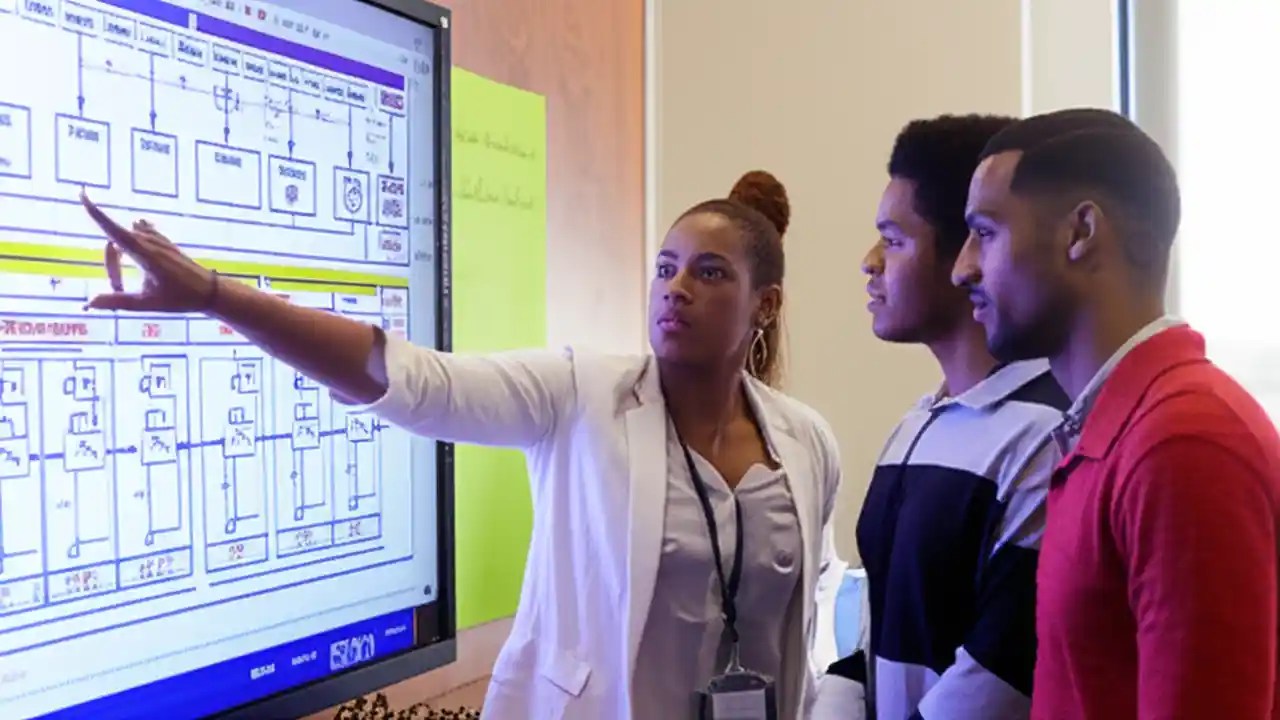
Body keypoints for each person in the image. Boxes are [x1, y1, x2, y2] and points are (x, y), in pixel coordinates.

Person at [76, 170, 843, 720]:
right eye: (666, 269)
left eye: (709, 274)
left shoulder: (805, 445)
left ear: (764, 305)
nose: (676, 289)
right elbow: (414, 381)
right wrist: (216, 296)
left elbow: (803, 618)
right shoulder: (581, 396)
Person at [953, 107, 1280, 719]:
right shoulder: (1111, 432)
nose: (963, 266)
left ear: (1081, 231)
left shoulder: (1185, 443)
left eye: (986, 232)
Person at [811, 115, 1068, 720]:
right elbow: (883, 629)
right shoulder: (916, 426)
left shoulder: (1043, 433)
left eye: (894, 240)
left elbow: (1001, 670)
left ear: (969, 251)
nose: (870, 262)